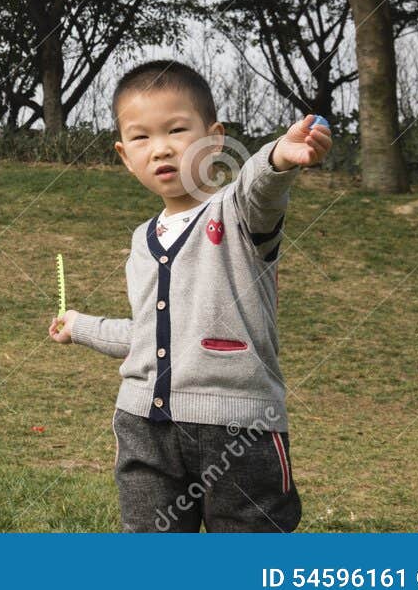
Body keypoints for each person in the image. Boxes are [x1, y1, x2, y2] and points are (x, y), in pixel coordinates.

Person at [48, 59, 332, 532]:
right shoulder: (142, 241)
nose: (160, 148)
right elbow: (150, 337)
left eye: (177, 130)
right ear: (124, 155)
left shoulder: (237, 212)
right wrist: (80, 326)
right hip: (143, 425)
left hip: (238, 429)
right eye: (141, 138)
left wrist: (279, 156)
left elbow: (260, 187)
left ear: (214, 138)